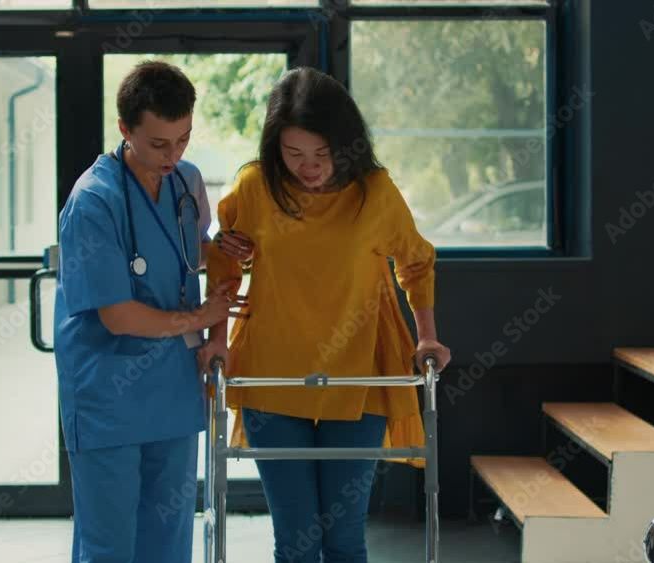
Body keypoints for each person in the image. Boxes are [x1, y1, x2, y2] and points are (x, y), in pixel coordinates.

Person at [203, 66, 452, 563]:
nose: (308, 167)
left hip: (357, 377)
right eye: (293, 154)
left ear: (347, 143)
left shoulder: (375, 192)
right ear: (276, 148)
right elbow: (224, 261)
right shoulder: (256, 186)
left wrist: (426, 336)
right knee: (295, 541)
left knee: (343, 539)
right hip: (273, 373)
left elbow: (417, 259)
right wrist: (218, 339)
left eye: (322, 153)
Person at [53, 60, 245, 563]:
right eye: (159, 143)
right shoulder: (93, 202)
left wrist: (223, 250)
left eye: (182, 140)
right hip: (108, 395)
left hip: (171, 389)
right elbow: (117, 314)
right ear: (124, 130)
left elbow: (182, 251)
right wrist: (202, 319)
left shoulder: (186, 184)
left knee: (168, 540)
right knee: (111, 545)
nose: (173, 154)